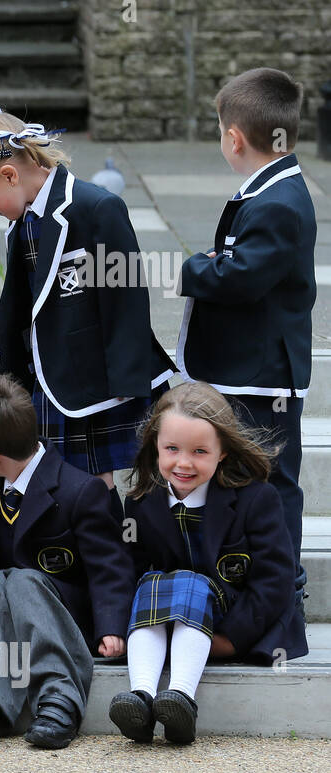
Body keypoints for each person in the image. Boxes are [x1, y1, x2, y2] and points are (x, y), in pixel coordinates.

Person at [0, 102, 174, 487]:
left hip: (100, 381)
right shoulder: (24, 221)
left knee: (96, 483)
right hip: (51, 379)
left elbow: (126, 300)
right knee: (60, 481)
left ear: (9, 174)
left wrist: (126, 385)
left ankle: (110, 545)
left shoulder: (97, 208)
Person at [176, 67, 317, 610]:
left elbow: (242, 277)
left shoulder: (278, 201)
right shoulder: (269, 189)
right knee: (253, 475)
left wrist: (190, 269)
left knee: (274, 480)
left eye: (218, 130)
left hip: (261, 375)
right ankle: (246, 579)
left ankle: (285, 592)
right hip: (250, 369)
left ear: (233, 137)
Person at [111, 382, 308, 744]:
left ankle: (182, 698)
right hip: (166, 621)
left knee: (189, 583)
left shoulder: (257, 499)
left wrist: (231, 640)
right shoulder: (141, 503)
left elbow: (274, 582)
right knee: (152, 581)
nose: (183, 463)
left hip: (236, 616)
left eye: (200, 451)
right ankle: (140, 698)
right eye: (172, 449)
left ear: (223, 453)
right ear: (155, 446)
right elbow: (128, 572)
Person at [0, 377, 133, 749]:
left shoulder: (80, 491)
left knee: (22, 580)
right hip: (4, 614)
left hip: (64, 617)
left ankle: (59, 697)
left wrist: (112, 627)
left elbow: (109, 566)